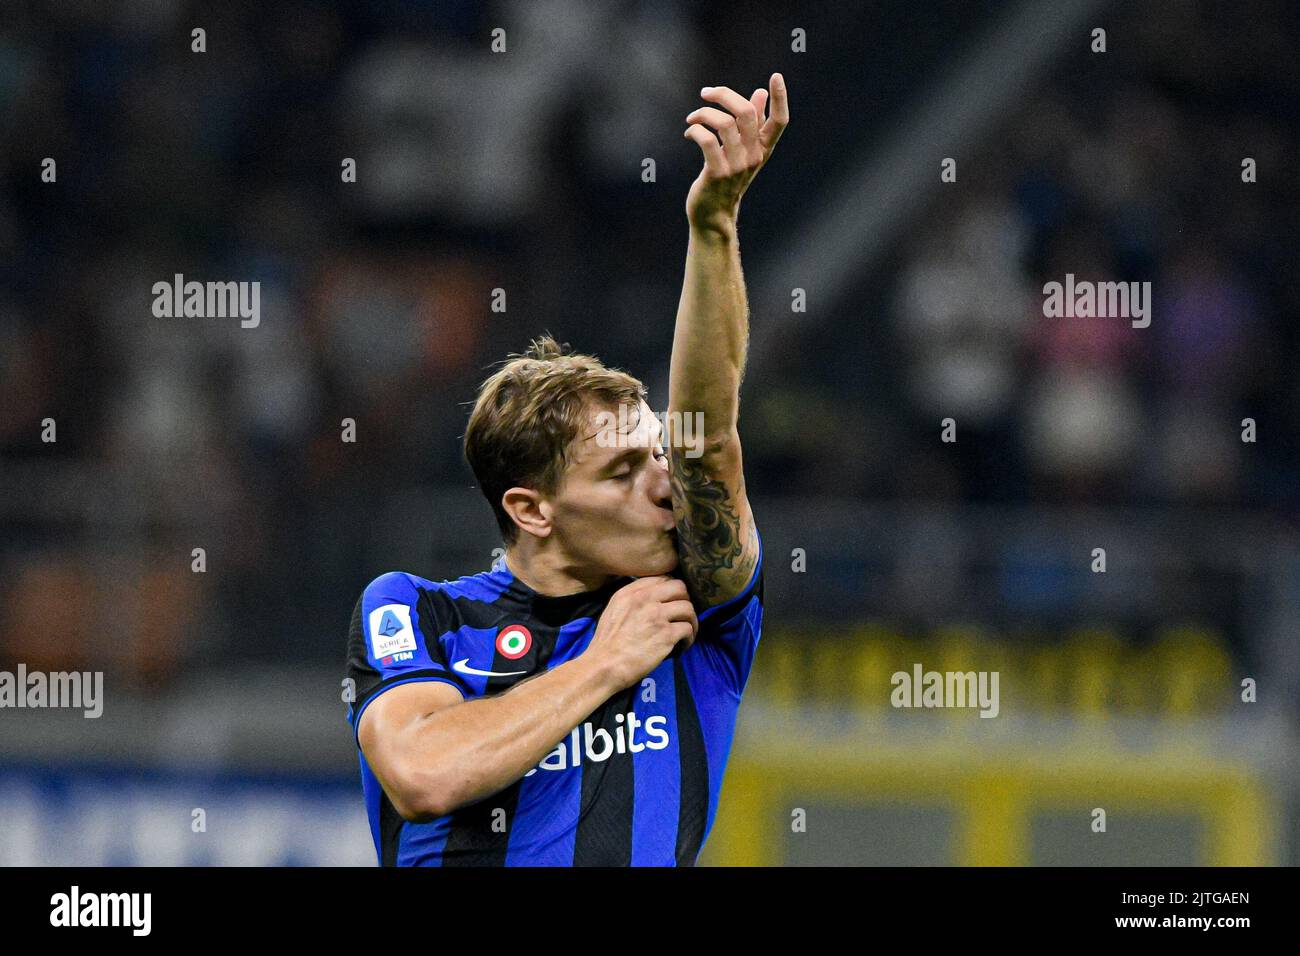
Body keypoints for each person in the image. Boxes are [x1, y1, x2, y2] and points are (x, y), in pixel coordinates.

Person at [344, 74, 789, 865]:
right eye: (622, 472)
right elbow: (423, 771)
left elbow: (706, 441)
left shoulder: (695, 611)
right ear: (533, 509)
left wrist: (715, 225)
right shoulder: (422, 615)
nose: (664, 487)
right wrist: (603, 665)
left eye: (655, 455)